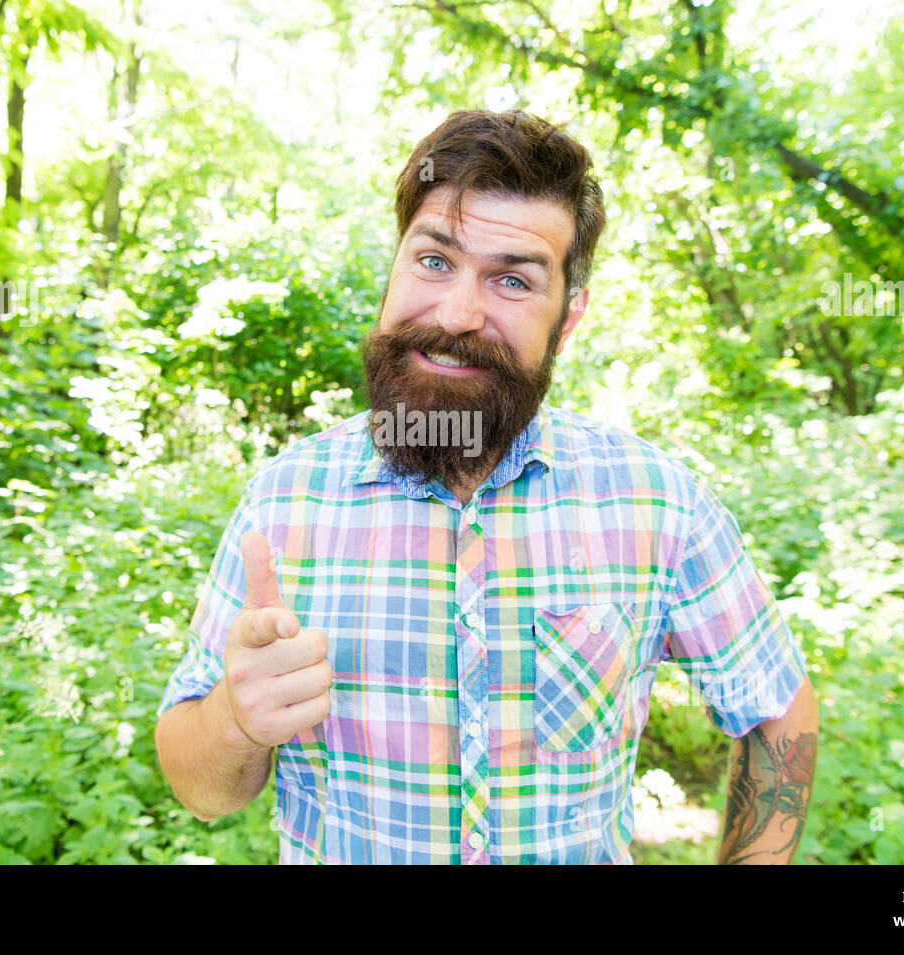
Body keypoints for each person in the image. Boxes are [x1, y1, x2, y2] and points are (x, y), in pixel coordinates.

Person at [154, 109, 818, 865]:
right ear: (397, 263)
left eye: (511, 279)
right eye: (434, 261)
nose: (458, 313)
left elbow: (778, 713)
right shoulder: (282, 502)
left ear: (567, 319)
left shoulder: (658, 504)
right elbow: (199, 786)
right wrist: (237, 719)